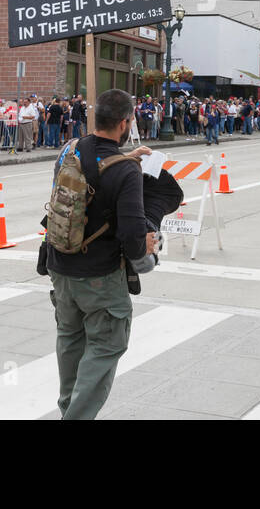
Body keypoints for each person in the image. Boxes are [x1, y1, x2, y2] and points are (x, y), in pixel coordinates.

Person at [44, 89, 155, 420]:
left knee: (70, 341)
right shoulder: (126, 172)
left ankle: (69, 408)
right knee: (105, 347)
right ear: (125, 123)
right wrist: (146, 246)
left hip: (60, 266)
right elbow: (133, 236)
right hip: (100, 278)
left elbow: (84, 177)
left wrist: (126, 158)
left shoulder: (70, 149)